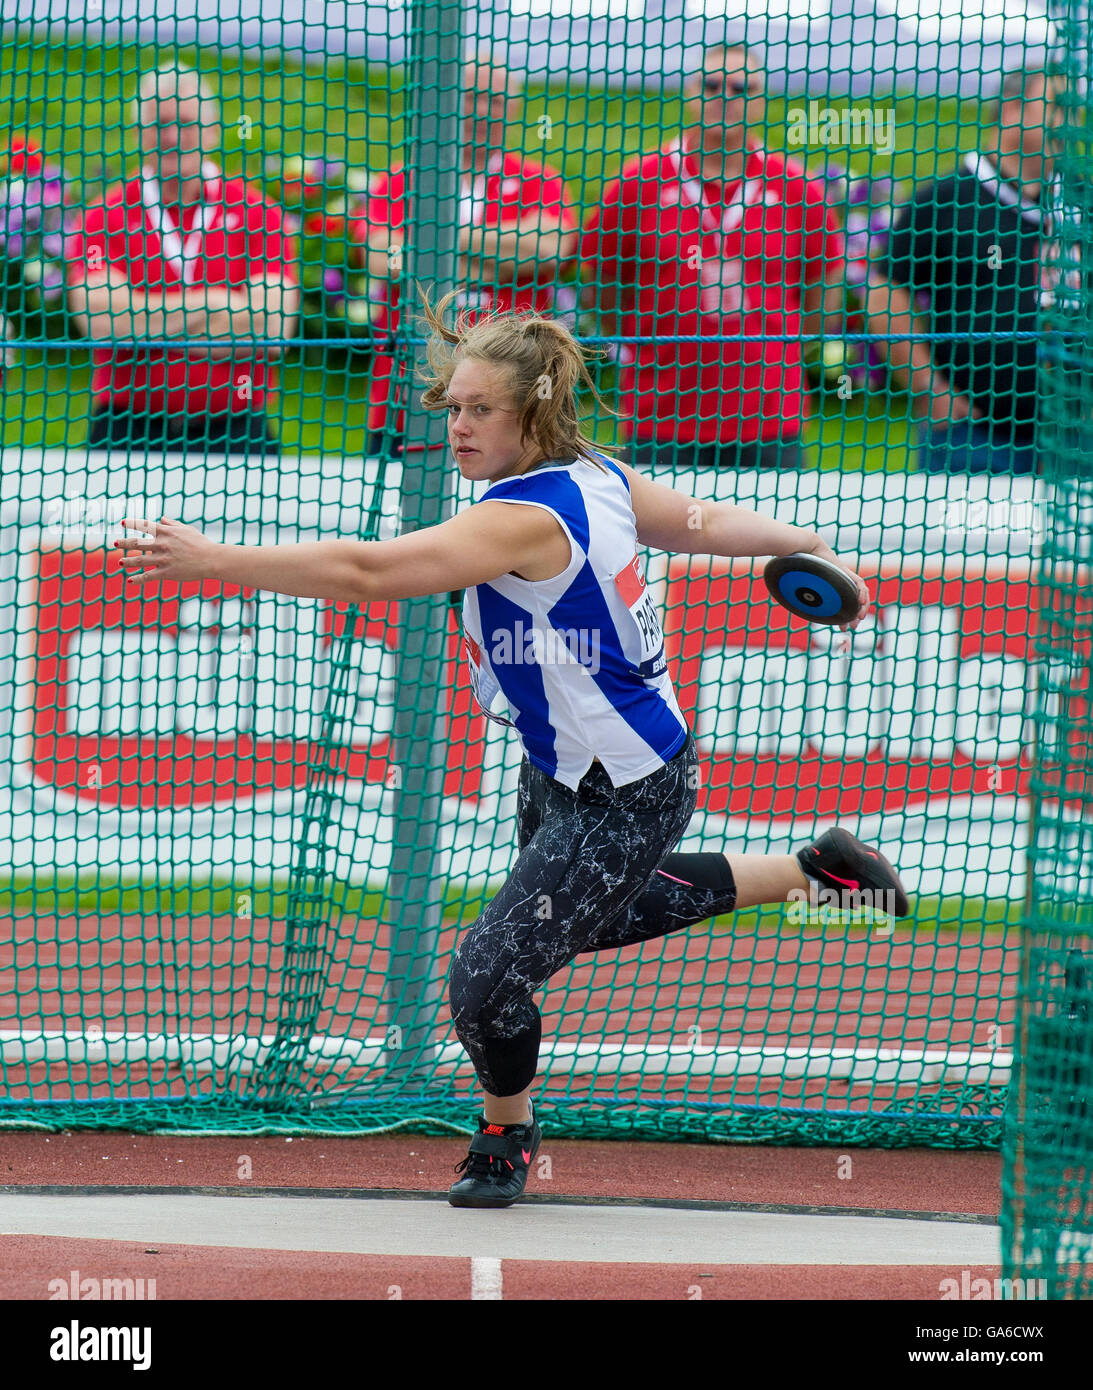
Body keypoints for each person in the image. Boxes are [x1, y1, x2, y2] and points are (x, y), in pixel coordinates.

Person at [114, 290, 911, 1209]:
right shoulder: (596, 475)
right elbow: (697, 519)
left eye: (478, 410)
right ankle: (812, 871)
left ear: (531, 410)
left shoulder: (527, 516)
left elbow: (371, 573)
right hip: (559, 769)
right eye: (451, 407)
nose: (457, 426)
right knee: (584, 919)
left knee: (488, 981)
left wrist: (219, 561)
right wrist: (799, 542)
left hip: (629, 788)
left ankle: (505, 1130)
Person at [580, 42, 845, 472]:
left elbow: (823, 298)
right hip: (659, 418)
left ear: (760, 101)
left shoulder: (800, 190)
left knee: (769, 540)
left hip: (768, 418)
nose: (726, 96)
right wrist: (642, 339)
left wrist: (780, 346)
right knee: (655, 540)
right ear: (690, 92)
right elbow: (600, 284)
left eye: (742, 88)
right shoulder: (637, 184)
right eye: (712, 84)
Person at [66, 64, 299, 456]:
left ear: (211, 131)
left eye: (187, 123)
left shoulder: (260, 214)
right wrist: (215, 306)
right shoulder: (101, 217)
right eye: (160, 123)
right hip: (126, 432)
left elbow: (273, 328)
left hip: (237, 432)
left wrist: (146, 324)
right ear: (141, 132)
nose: (173, 136)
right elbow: (103, 322)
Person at [358, 59, 579, 455]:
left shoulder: (539, 180)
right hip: (408, 399)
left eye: (494, 100)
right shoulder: (399, 178)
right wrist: (500, 257)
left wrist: (431, 244)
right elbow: (383, 260)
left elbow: (549, 249)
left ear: (512, 108)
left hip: (517, 404)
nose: (481, 111)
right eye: (471, 97)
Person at [866, 67, 1065, 474]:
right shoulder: (944, 201)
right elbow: (884, 291)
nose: (1070, 123)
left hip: (1071, 439)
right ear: (1011, 109)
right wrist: (928, 385)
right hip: (973, 438)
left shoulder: (1077, 206)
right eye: (1057, 107)